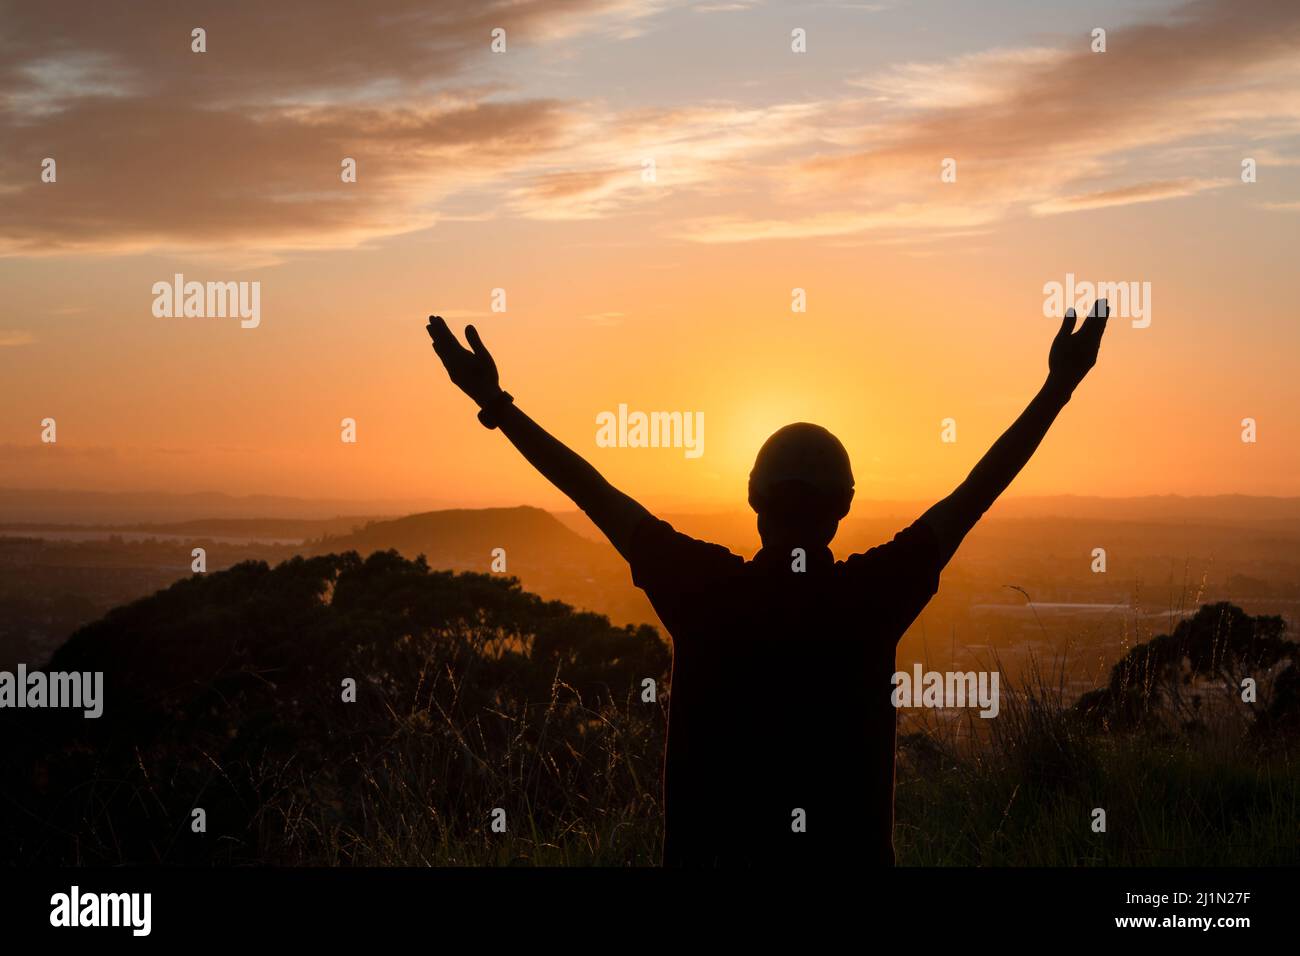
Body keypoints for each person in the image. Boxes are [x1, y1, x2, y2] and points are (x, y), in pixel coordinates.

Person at [426, 300, 1108, 866]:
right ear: (844, 506)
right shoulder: (870, 597)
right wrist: (1058, 388)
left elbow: (592, 491)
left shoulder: (700, 588)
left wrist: (496, 403)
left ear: (752, 496)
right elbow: (976, 492)